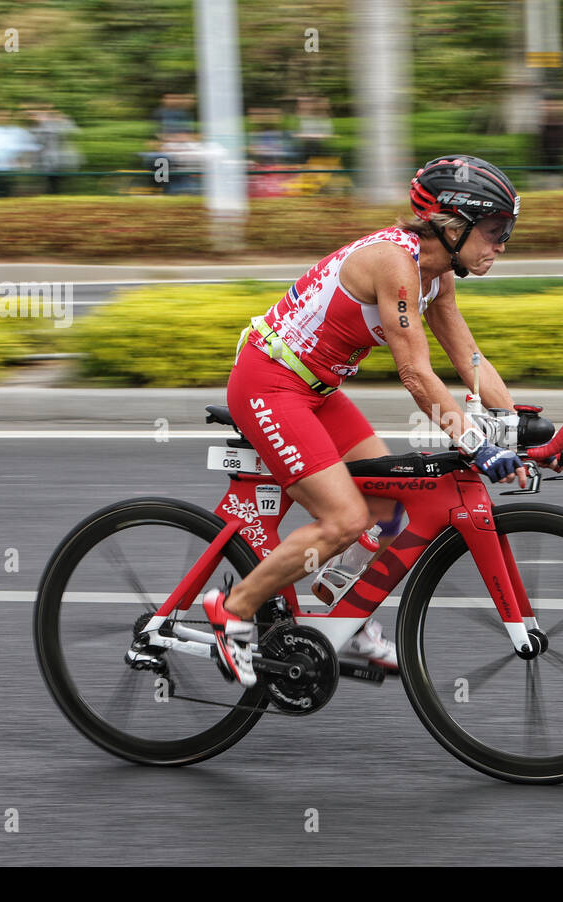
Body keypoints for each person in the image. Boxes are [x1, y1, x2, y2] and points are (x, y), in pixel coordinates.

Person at [201, 155, 527, 685]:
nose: (501, 244)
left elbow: (469, 359)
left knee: (391, 498)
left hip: (316, 390)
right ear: (452, 224)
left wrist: (517, 422)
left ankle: (343, 617)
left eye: (506, 231)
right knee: (345, 519)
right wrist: (476, 443)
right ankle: (231, 610)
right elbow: (417, 375)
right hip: (269, 383)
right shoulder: (395, 266)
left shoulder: (437, 276)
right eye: (494, 230)